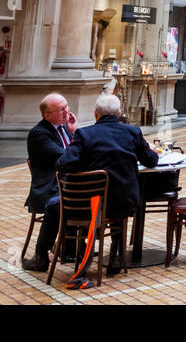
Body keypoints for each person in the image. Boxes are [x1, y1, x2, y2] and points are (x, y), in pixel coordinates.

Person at [56, 94, 159, 274]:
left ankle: (89, 253)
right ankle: (116, 253)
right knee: (117, 200)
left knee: (105, 200)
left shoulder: (84, 134)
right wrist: (148, 149)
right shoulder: (132, 132)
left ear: (95, 114)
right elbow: (151, 161)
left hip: (86, 203)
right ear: (119, 114)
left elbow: (64, 164)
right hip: (122, 201)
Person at [22, 93, 77, 272]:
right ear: (47, 115)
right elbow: (66, 156)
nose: (67, 112)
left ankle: (71, 248)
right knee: (59, 203)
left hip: (67, 183)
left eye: (67, 107)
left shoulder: (64, 129)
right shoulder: (39, 134)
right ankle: (41, 255)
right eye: (61, 109)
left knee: (92, 197)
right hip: (49, 187)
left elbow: (76, 153)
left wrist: (73, 131)